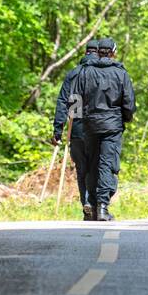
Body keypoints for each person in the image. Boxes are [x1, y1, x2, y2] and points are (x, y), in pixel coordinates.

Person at [72, 37, 135, 221]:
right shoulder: (120, 73)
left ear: (98, 52)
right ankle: (102, 206)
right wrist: (126, 118)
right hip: (112, 125)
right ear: (113, 52)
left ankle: (91, 203)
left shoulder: (85, 72)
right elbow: (129, 102)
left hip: (90, 124)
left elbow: (75, 99)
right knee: (107, 164)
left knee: (92, 164)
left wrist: (78, 121)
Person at [53, 39, 99, 214]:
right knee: (95, 167)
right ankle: (94, 204)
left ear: (85, 52)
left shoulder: (73, 74)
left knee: (82, 169)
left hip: (77, 127)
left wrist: (58, 130)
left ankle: (86, 203)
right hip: (97, 127)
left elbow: (64, 102)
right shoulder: (103, 73)